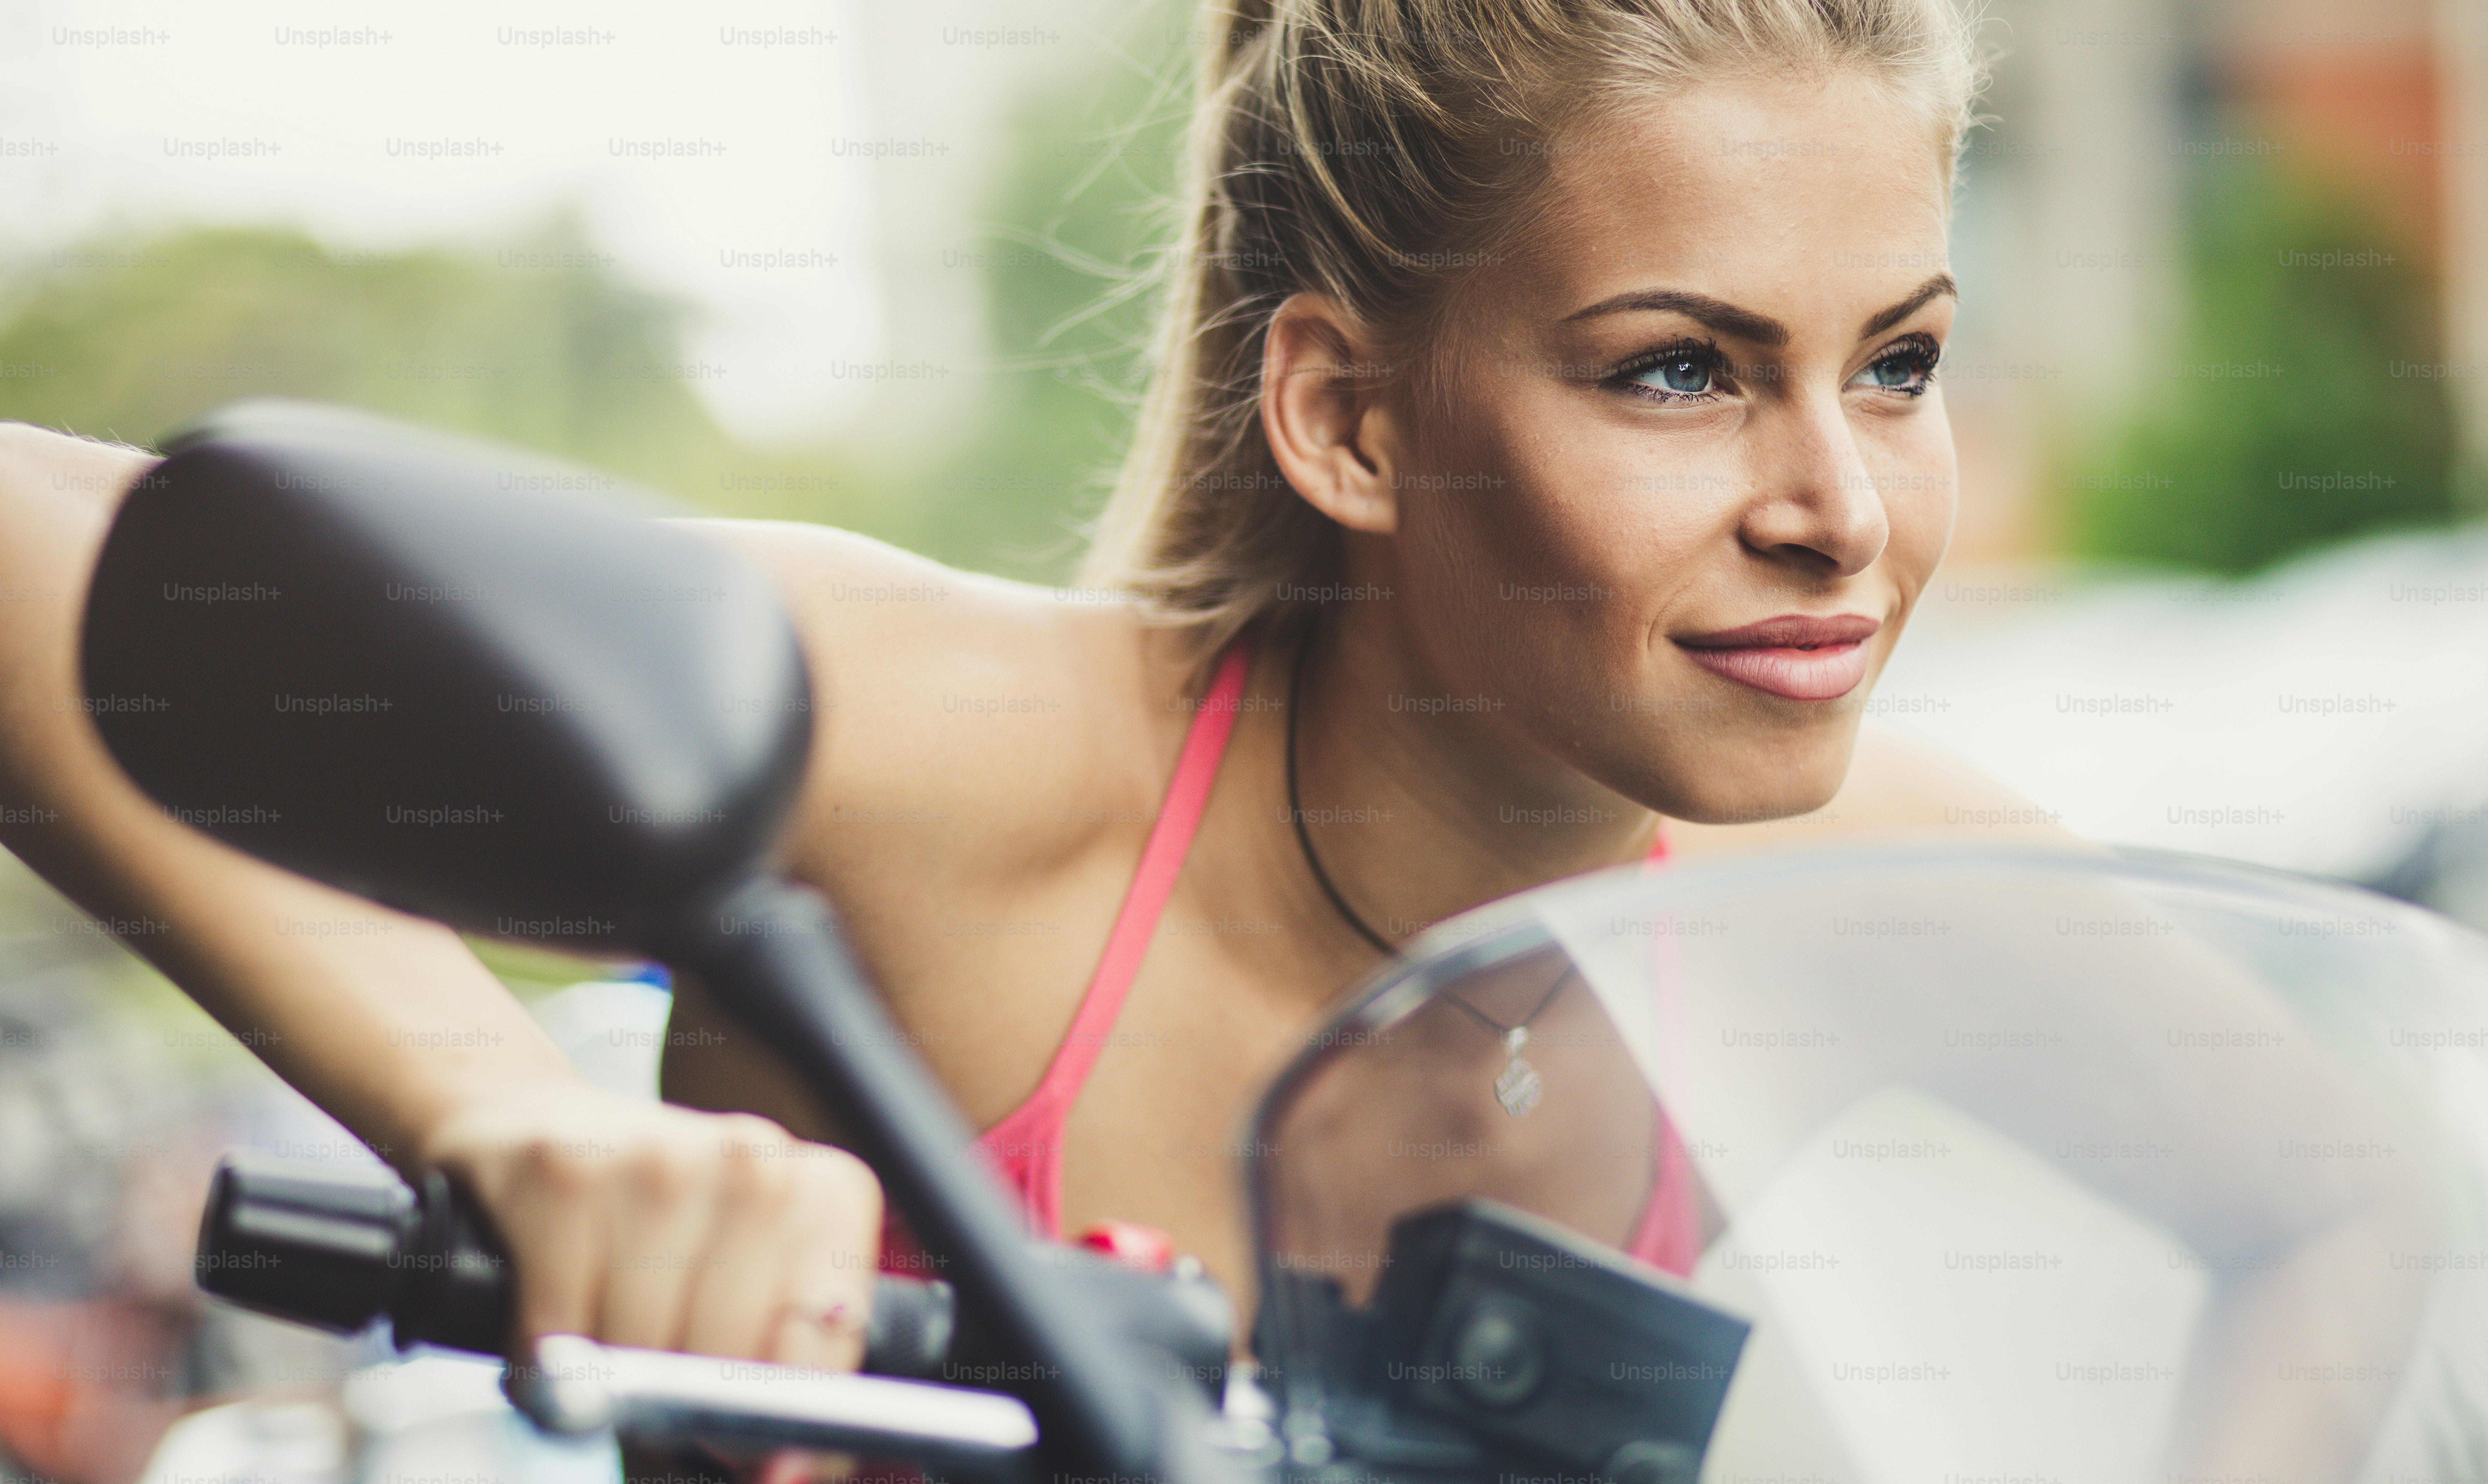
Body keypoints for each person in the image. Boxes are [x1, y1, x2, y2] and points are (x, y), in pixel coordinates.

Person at [0, 0, 2060, 1378]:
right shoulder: (967, 765)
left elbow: (2350, 1207)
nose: (1841, 511)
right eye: (1677, 372)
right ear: (1345, 417)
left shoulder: (1887, 888)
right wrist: (511, 1125)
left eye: (1897, 364)